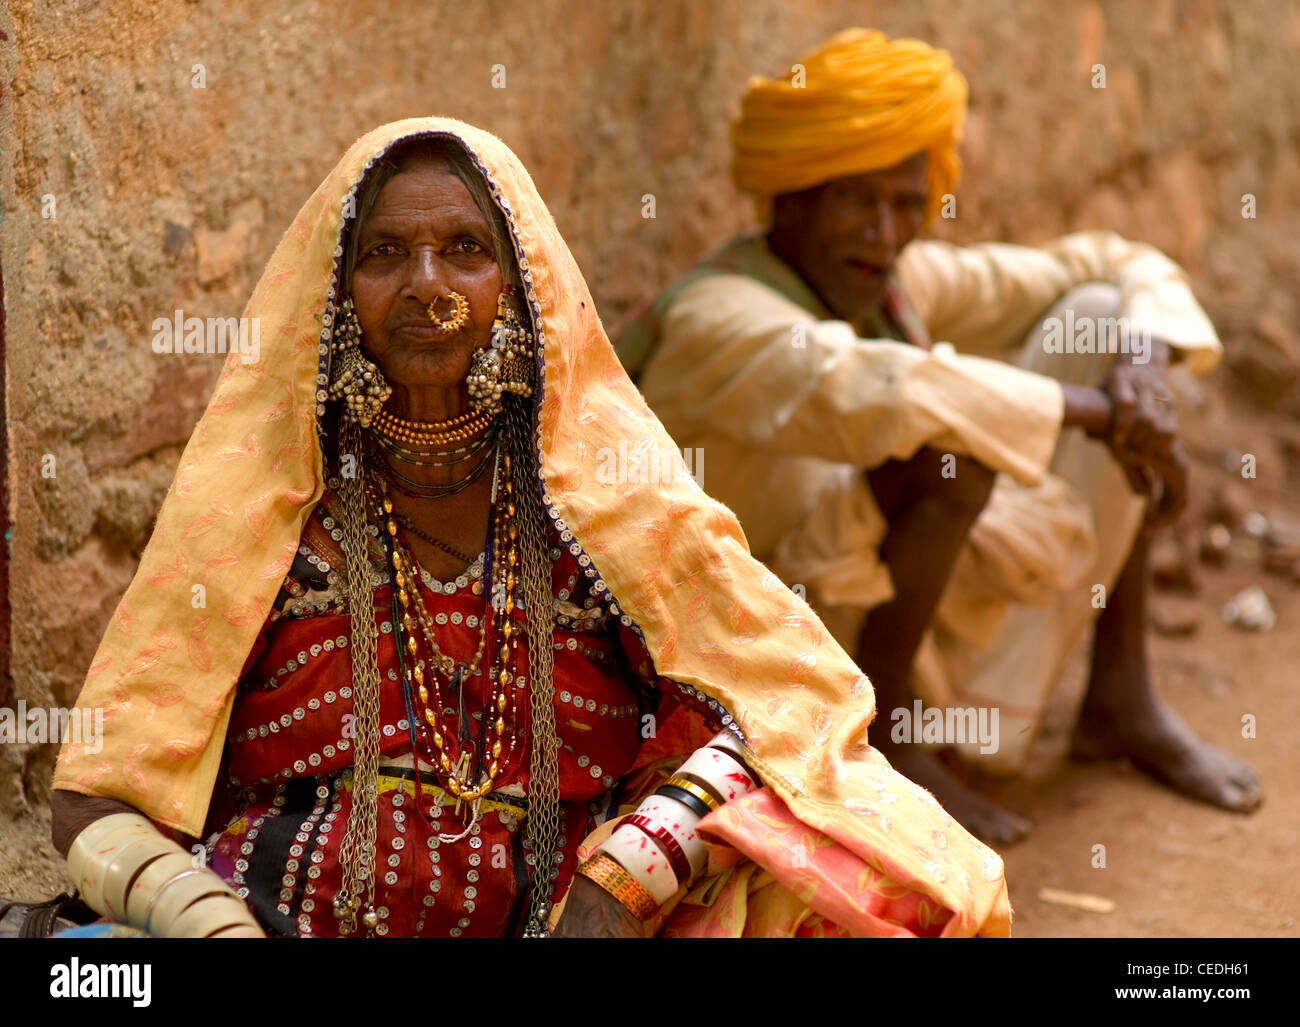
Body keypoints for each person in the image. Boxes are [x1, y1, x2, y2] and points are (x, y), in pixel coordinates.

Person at [50, 117, 1012, 938]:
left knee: (854, 879)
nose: (428, 284)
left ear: (522, 290)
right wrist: (213, 929)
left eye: (466, 250)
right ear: (335, 296)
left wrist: (622, 880)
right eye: (384, 254)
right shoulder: (265, 509)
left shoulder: (605, 509)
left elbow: (792, 707)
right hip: (273, 918)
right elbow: (96, 794)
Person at [617, 29, 1261, 845]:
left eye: (904, 205)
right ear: (793, 197)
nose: (885, 234)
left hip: (896, 611)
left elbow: (1115, 258)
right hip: (757, 655)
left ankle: (1117, 694)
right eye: (859, 201)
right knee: (944, 445)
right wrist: (1111, 412)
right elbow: (888, 388)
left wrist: (1137, 367)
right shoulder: (718, 314)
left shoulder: (899, 285)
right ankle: (892, 743)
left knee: (1102, 316)